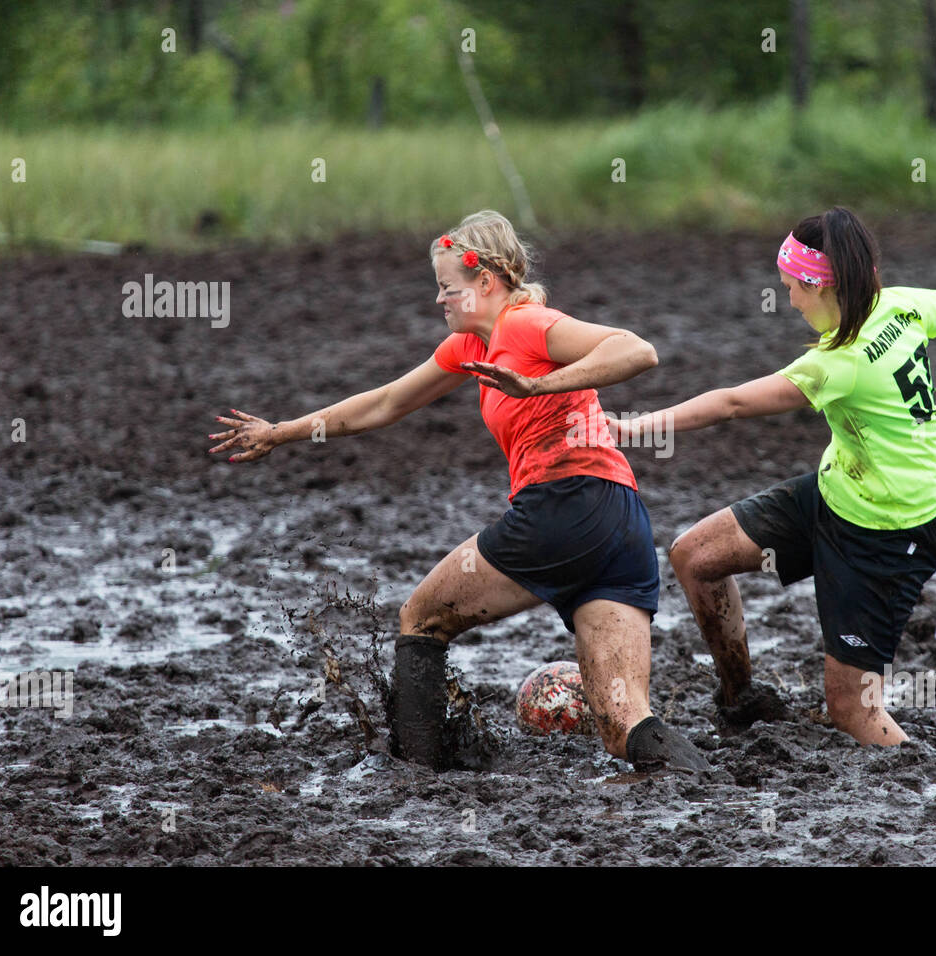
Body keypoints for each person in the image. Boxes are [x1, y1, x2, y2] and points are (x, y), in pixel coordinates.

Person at [207, 210, 708, 773]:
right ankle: (718, 790)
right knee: (624, 728)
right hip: (621, 522)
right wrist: (280, 432)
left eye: (448, 288)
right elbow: (386, 402)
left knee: (420, 618)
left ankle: (416, 774)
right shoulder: (471, 347)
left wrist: (538, 384)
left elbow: (637, 350)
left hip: (563, 509)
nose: (439, 301)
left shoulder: (522, 324)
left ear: (486, 283)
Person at [611, 207, 936, 746]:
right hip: (835, 494)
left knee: (852, 714)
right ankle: (740, 700)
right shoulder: (898, 305)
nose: (789, 300)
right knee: (694, 556)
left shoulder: (838, 362)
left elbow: (730, 404)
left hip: (888, 535)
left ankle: (934, 783)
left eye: (792, 287)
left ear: (822, 286)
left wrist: (631, 429)